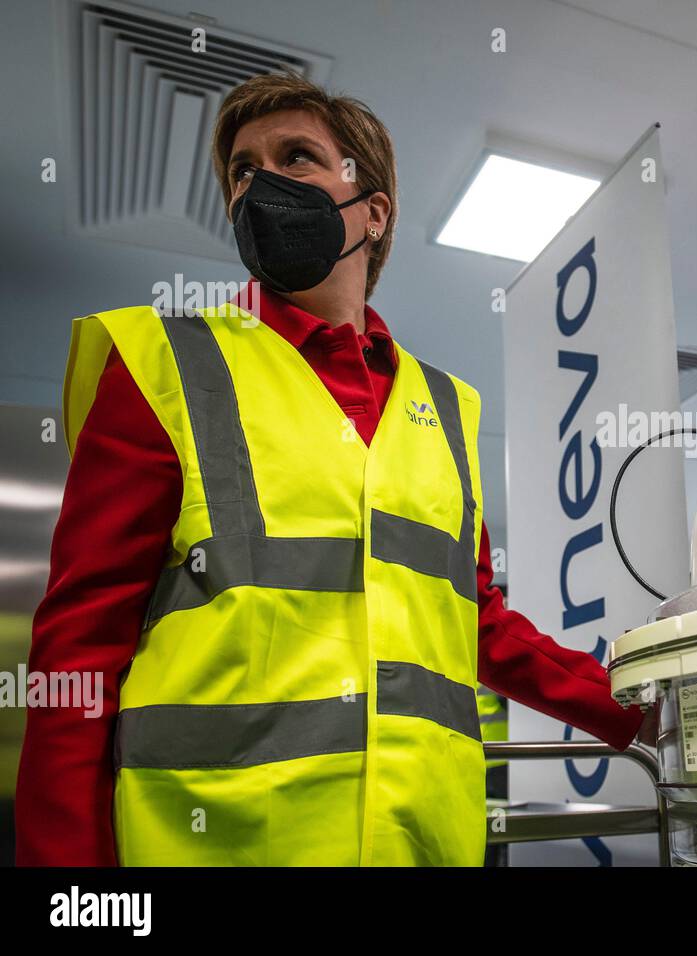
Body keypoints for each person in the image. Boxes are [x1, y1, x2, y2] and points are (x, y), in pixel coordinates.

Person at [15, 72, 654, 866]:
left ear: (373, 213)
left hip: (423, 843)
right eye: (243, 171)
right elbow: (78, 650)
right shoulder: (164, 362)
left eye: (297, 158)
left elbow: (476, 620)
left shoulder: (446, 408)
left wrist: (640, 713)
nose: (260, 186)